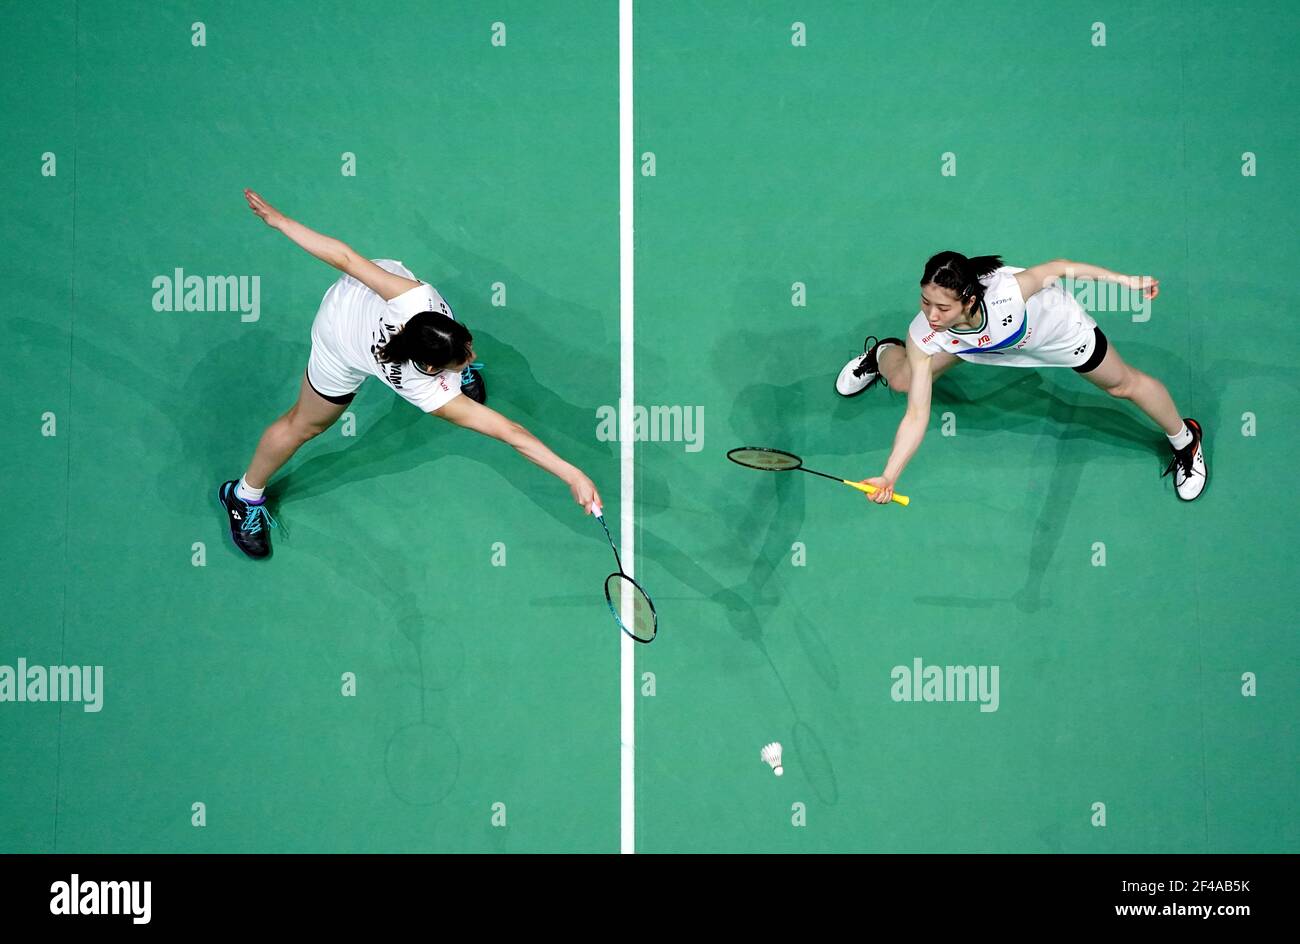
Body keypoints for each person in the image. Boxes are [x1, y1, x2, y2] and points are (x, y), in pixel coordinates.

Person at [217, 189, 602, 559]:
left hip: (372, 293)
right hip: (339, 337)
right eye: (463, 359)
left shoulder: (418, 302)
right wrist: (571, 474)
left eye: (466, 346)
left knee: (443, 334)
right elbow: (510, 433)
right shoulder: (426, 393)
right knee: (305, 425)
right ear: (433, 370)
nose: (474, 354)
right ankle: (244, 495)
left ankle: (457, 368)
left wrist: (281, 221)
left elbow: (347, 259)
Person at [835, 251, 1207, 503]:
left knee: (1122, 384)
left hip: (1053, 335)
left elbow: (1058, 267)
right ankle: (882, 352)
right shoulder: (930, 332)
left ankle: (1185, 438)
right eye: (924, 301)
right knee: (904, 380)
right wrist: (889, 475)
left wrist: (1126, 281)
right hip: (976, 343)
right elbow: (917, 415)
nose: (931, 314)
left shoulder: (1007, 294)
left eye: (942, 306)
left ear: (968, 299)